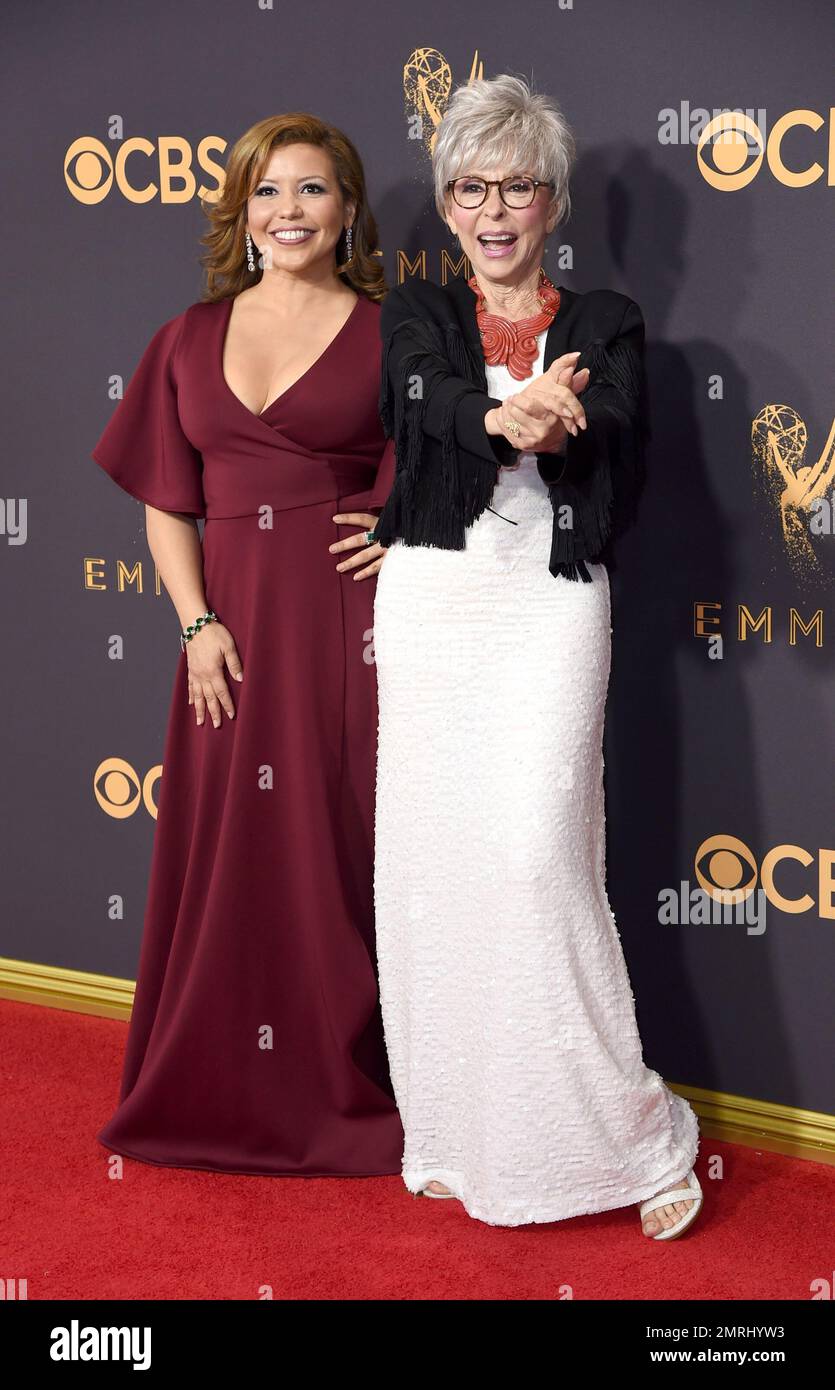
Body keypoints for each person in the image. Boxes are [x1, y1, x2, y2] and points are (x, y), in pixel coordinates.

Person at [368, 74, 703, 1238]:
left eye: (518, 184)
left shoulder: (603, 319)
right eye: (472, 186)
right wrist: (493, 416)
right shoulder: (415, 315)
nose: (495, 207)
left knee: (533, 857)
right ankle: (461, 1128)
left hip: (547, 603)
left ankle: (636, 1135)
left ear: (551, 200)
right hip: (434, 604)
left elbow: (617, 425)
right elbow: (418, 396)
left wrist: (561, 422)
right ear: (448, 204)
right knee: (436, 872)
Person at [91, 113, 402, 1176]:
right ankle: (214, 1080)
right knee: (229, 845)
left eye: (311, 190)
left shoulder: (394, 331)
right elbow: (167, 504)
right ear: (241, 212)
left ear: (347, 210)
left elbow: (445, 472)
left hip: (340, 627)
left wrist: (395, 525)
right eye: (267, 193)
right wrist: (195, 624)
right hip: (225, 630)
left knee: (333, 840)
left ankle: (342, 1083)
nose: (289, 213)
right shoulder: (186, 335)